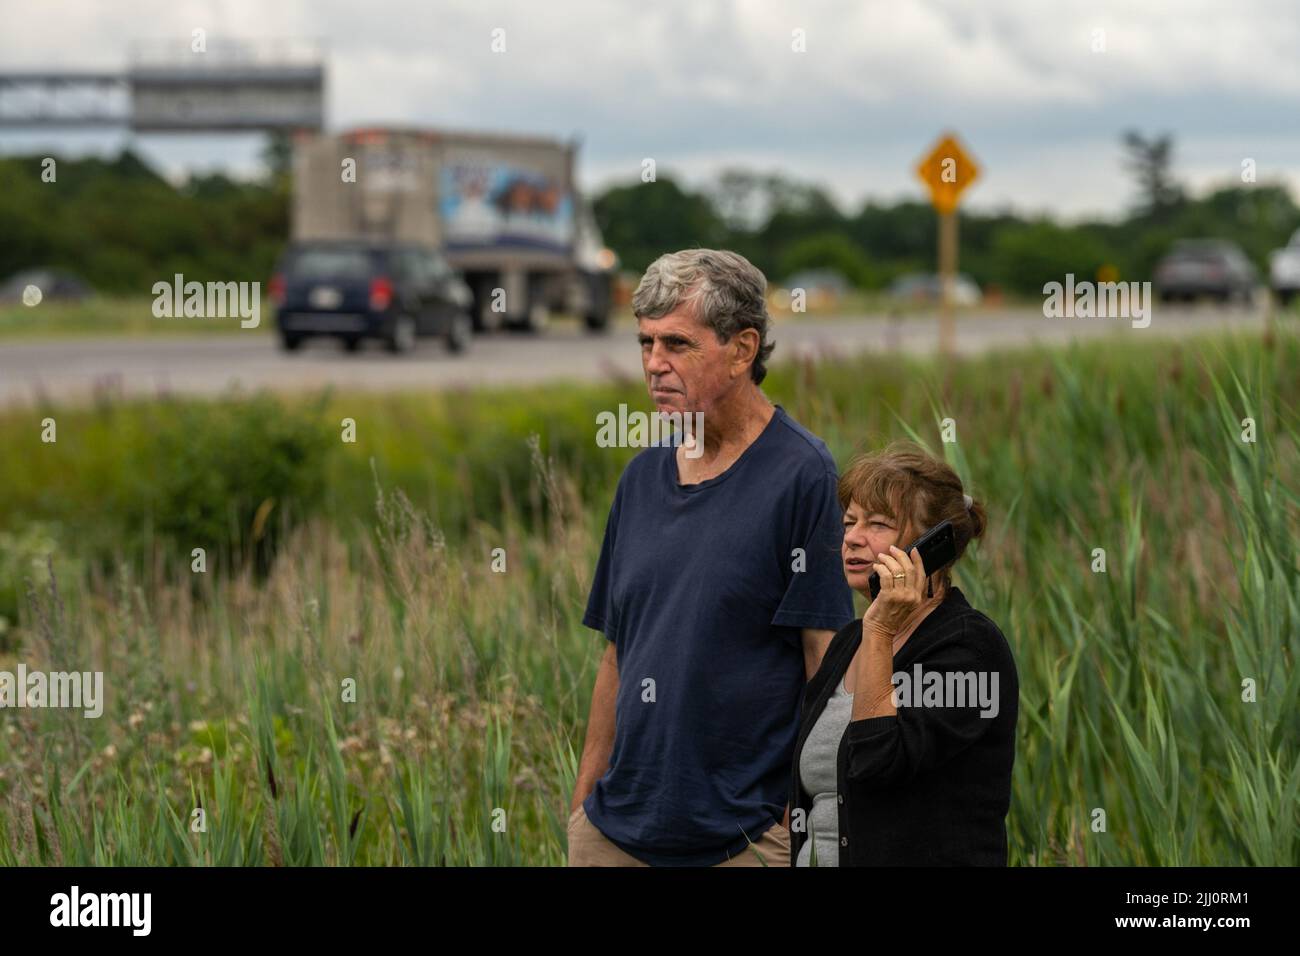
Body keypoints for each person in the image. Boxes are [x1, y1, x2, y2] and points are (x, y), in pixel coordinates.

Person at [568, 248, 856, 866]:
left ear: (742, 350)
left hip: (743, 840)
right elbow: (618, 655)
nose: (654, 365)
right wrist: (582, 805)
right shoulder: (641, 477)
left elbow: (824, 662)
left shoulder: (802, 474)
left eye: (677, 344)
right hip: (614, 833)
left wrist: (800, 822)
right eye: (645, 343)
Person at [789, 440, 1019, 866]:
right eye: (848, 522)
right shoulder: (848, 644)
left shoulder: (969, 648)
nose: (853, 539)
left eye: (877, 524)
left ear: (934, 544)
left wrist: (880, 628)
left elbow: (877, 760)